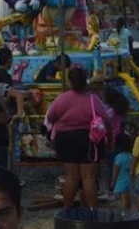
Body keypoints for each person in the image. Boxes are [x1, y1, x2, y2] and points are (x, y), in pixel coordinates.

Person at [45, 66, 112, 210]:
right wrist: (110, 140)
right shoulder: (93, 100)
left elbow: (50, 117)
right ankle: (93, 212)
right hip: (89, 140)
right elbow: (106, 120)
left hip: (66, 139)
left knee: (71, 177)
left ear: (70, 81)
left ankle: (66, 209)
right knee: (88, 178)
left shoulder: (62, 99)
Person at [109, 133, 133, 211]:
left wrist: (113, 181)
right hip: (128, 179)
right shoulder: (130, 156)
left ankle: (123, 212)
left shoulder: (118, 157)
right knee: (127, 196)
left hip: (120, 180)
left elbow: (115, 170)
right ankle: (128, 211)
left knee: (123, 198)